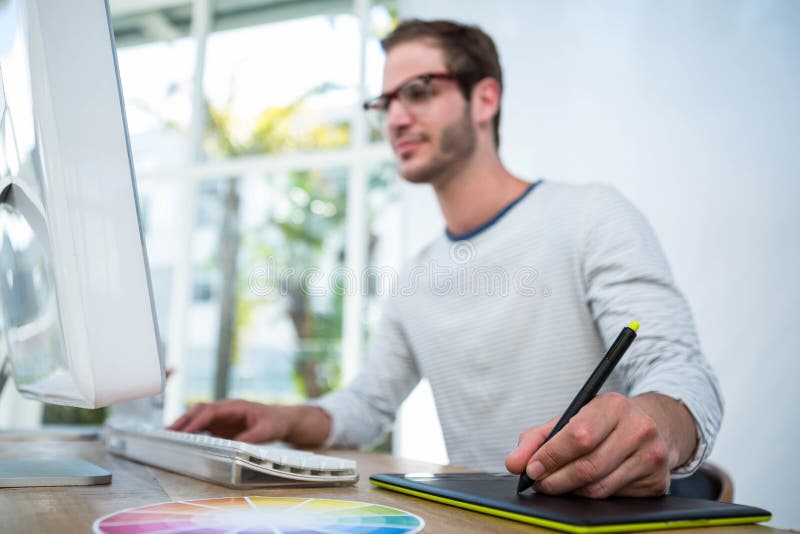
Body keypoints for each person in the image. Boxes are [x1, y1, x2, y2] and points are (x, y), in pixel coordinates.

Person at [170, 19, 722, 499]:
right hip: (487, 520)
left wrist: (656, 423)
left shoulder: (589, 216)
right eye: (386, 103)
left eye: (418, 91)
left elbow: (680, 372)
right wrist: (279, 418)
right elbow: (366, 406)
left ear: (484, 99)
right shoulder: (416, 278)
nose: (396, 119)